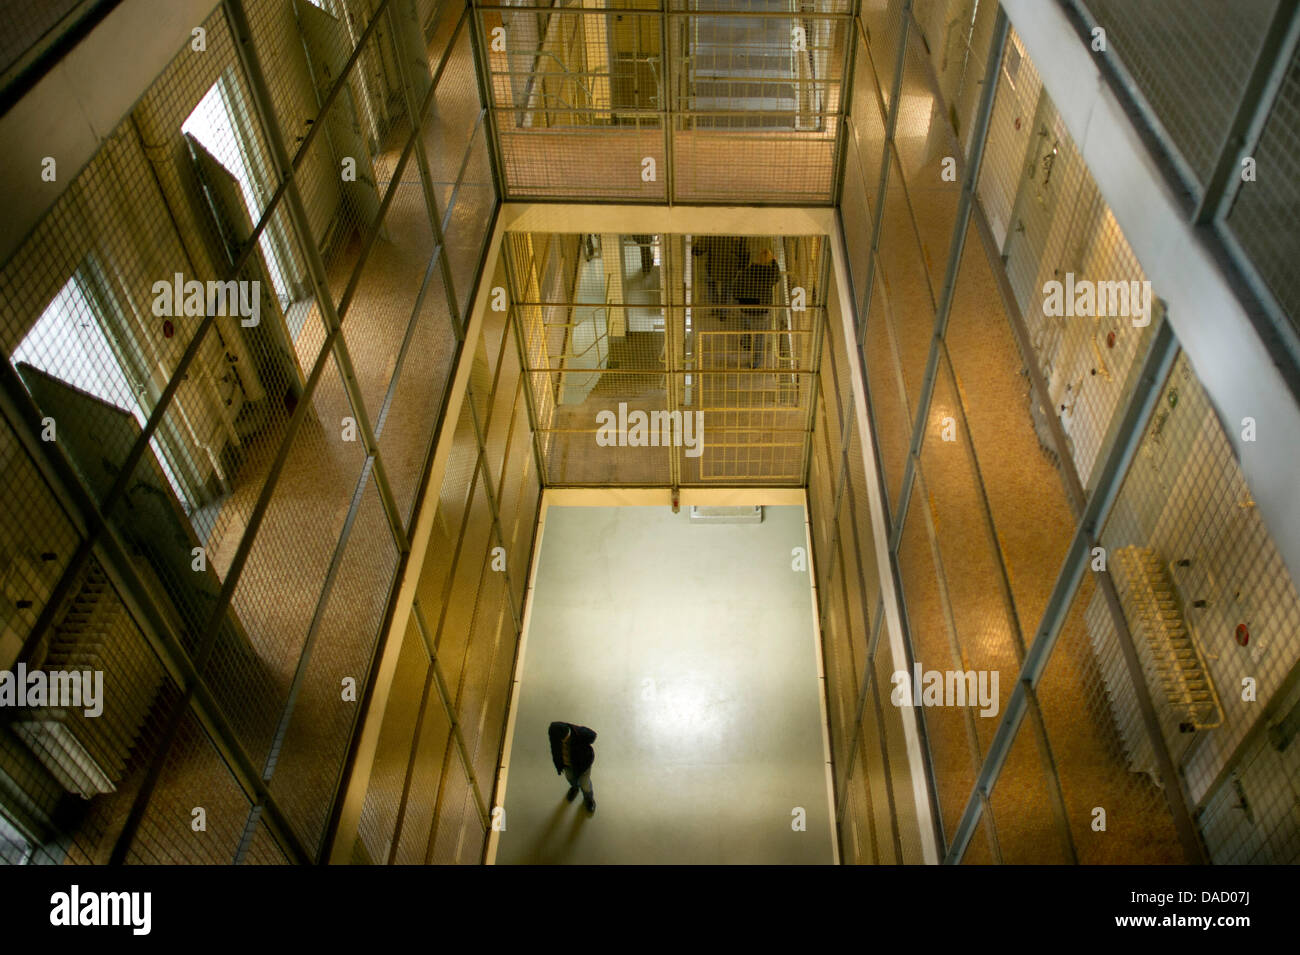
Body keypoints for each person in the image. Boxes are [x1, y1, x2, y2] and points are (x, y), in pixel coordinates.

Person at [731, 249, 781, 369]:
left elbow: (736, 290)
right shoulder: (769, 274)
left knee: (746, 327)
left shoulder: (746, 272)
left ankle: (747, 344)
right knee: (759, 337)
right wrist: (774, 262)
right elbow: (777, 276)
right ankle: (755, 362)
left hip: (746, 307)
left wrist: (740, 301)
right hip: (761, 310)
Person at [548, 720, 597, 813]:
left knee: (585, 784)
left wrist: (581, 732)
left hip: (583, 764)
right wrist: (558, 764)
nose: (564, 741)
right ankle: (575, 788)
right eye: (562, 740)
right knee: (570, 778)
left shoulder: (579, 733)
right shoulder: (554, 733)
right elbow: (554, 749)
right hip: (567, 764)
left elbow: (593, 736)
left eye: (566, 738)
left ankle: (588, 799)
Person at [691, 235, 748, 304]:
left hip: (713, 268)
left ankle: (715, 308)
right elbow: (744, 253)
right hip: (730, 269)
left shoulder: (713, 234)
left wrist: (699, 242)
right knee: (726, 289)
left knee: (711, 285)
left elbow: (697, 251)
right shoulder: (738, 234)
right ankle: (723, 311)